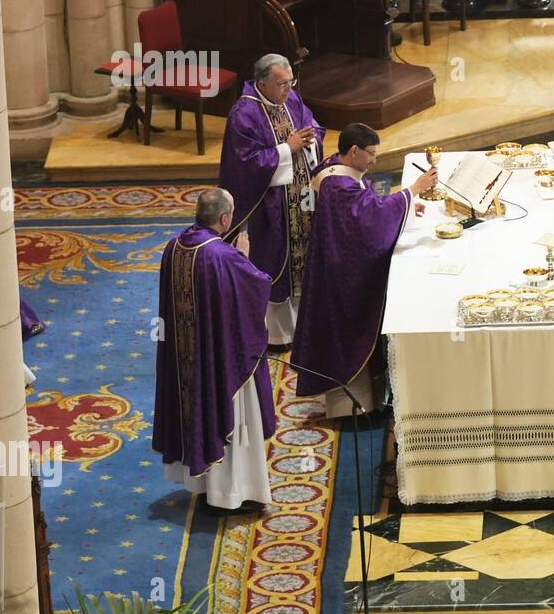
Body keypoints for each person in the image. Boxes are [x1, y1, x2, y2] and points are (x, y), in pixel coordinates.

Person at [292, 124, 438, 419]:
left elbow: (366, 207)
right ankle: (353, 411)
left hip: (333, 263)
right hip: (343, 278)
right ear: (355, 151)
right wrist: (413, 190)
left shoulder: (334, 167)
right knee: (348, 338)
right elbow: (366, 223)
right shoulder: (338, 186)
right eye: (371, 154)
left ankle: (365, 403)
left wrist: (407, 204)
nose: (374, 160)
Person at [153, 189, 277, 513]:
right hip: (220, 360)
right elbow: (258, 287)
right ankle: (233, 493)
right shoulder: (222, 256)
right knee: (232, 419)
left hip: (185, 355)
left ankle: (203, 485)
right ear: (225, 219)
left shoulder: (174, 245)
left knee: (195, 409)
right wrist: (245, 258)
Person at [219, 54, 325, 350]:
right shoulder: (244, 114)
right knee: (275, 262)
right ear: (262, 84)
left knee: (305, 258)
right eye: (281, 84)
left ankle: (304, 324)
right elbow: (243, 164)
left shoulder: (290, 100)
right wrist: (285, 149)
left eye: (291, 82)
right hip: (269, 206)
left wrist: (311, 138)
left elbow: (311, 124)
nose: (288, 89)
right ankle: (278, 335)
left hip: (302, 197)